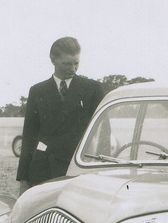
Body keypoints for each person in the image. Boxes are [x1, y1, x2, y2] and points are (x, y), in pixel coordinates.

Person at [16, 37, 106, 192]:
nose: (73, 68)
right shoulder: (37, 91)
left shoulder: (92, 89)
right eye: (66, 64)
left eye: (76, 63)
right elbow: (29, 137)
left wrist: (103, 172)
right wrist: (23, 179)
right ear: (53, 60)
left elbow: (104, 133)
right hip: (43, 171)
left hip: (77, 169)